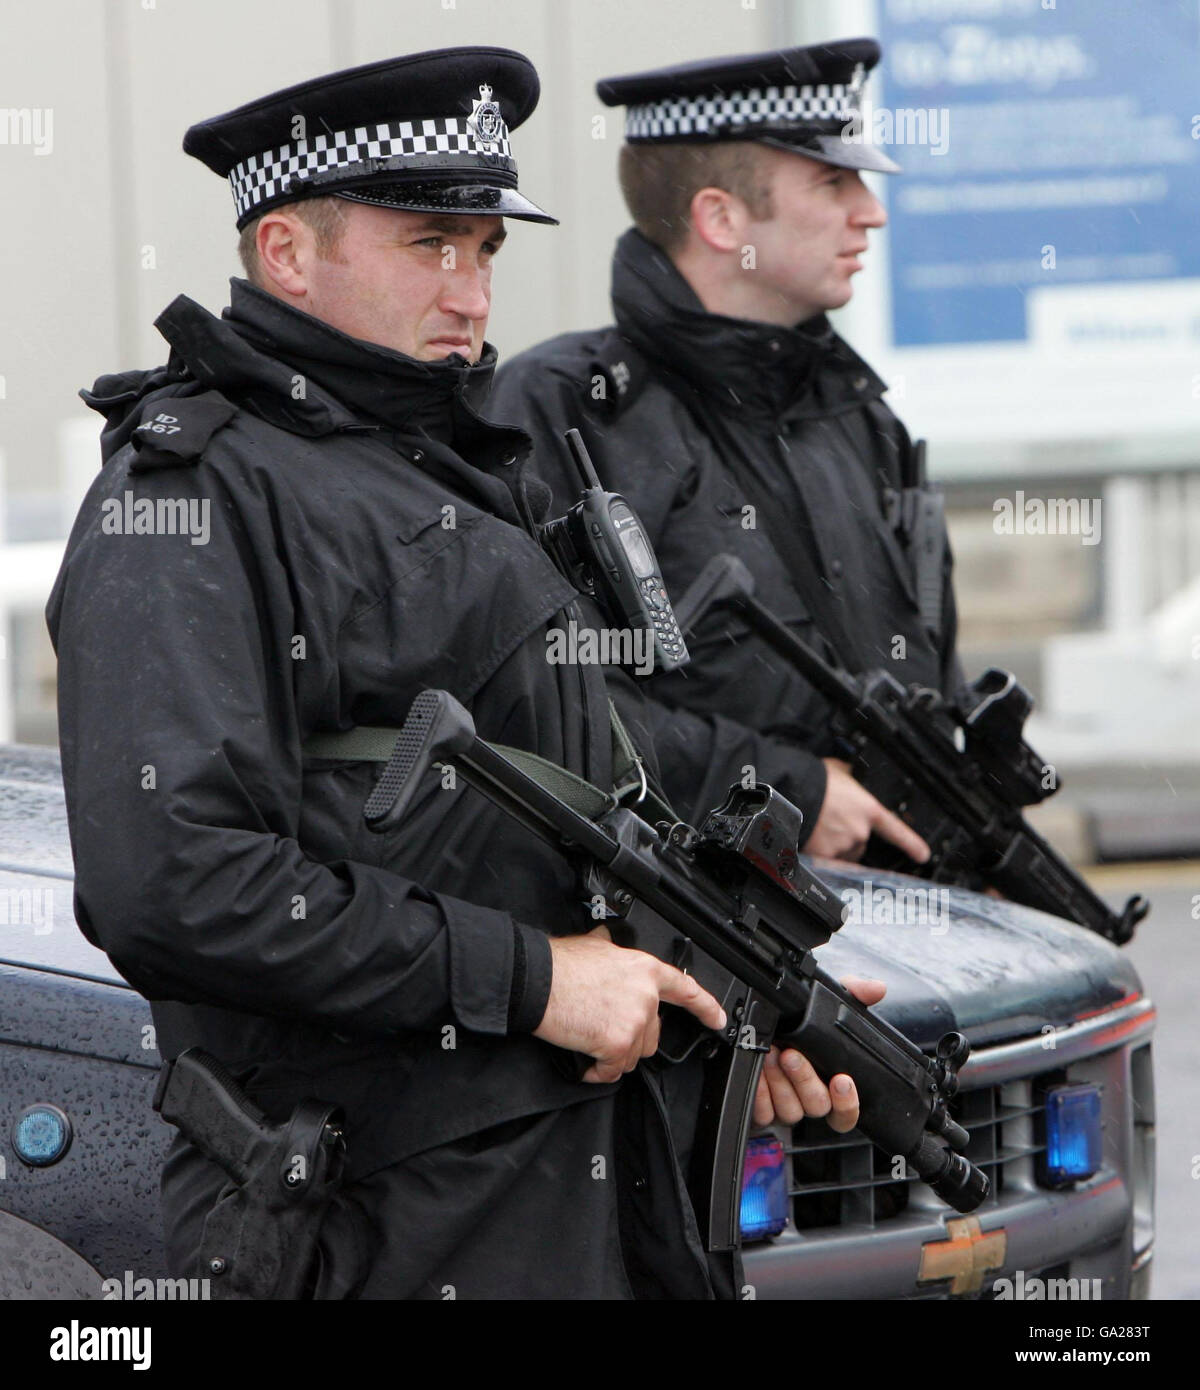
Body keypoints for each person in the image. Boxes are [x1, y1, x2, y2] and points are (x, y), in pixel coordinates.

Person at [46, 46, 878, 1301]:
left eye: (485, 249)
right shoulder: (192, 494)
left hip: (578, 1191)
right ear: (286, 253)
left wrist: (712, 994)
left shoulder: (464, 470)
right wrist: (536, 981)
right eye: (430, 243)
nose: (472, 290)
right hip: (377, 1215)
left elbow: (543, 819)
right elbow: (176, 881)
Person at [490, 39, 958, 870]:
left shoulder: (856, 413)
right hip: (706, 930)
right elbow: (545, 700)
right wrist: (790, 791)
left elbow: (932, 663)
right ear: (721, 219)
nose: (871, 212)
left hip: (920, 907)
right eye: (833, 182)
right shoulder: (564, 412)